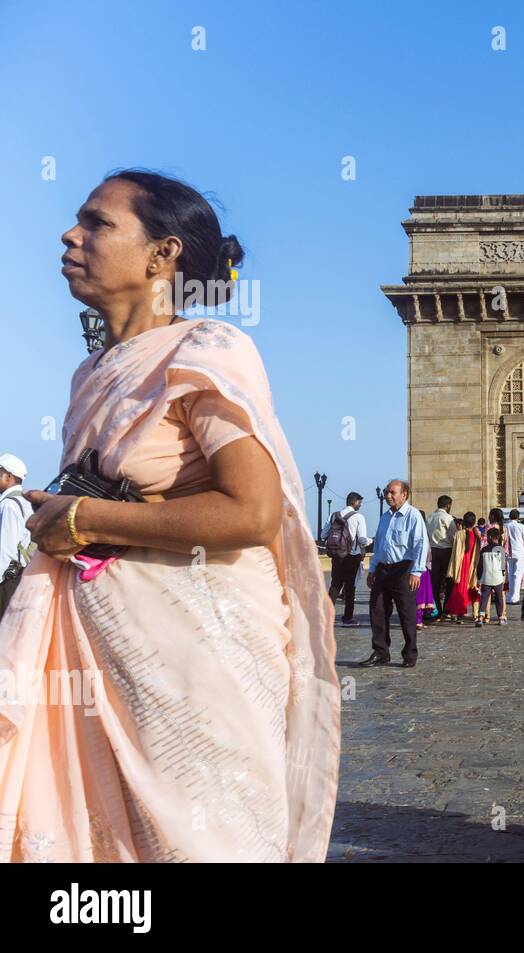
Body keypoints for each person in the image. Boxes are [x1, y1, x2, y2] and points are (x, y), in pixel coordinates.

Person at [0, 170, 338, 861]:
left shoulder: (207, 351)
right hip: (97, 674)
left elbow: (252, 511)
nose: (71, 235)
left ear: (163, 255)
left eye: (97, 222)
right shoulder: (92, 374)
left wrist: (87, 518)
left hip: (197, 677)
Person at [363, 480, 430, 665]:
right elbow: (379, 546)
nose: (388, 496)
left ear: (404, 494)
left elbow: (420, 545)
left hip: (404, 569)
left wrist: (416, 572)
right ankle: (380, 651)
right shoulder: (385, 517)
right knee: (377, 609)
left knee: (406, 613)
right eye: (386, 492)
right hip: (384, 569)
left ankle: (409, 654)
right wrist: (373, 568)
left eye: (392, 492)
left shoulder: (413, 516)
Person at [323, 491, 371, 627]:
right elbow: (362, 539)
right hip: (352, 556)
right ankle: (347, 618)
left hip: (337, 555)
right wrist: (371, 541)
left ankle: (326, 616)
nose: (360, 505)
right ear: (354, 502)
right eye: (359, 502)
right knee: (350, 587)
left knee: (335, 585)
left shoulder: (334, 515)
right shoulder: (358, 517)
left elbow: (323, 533)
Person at [0, 454, 33, 622]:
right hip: (20, 574)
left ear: (9, 476)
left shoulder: (8, 504)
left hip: (6, 579)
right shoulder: (25, 500)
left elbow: (6, 550)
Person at [444, 510, 482, 624]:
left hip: (461, 565)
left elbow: (455, 553)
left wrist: (452, 568)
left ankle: (456, 613)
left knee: (458, 588)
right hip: (470, 565)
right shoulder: (476, 535)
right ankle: (463, 612)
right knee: (466, 589)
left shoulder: (460, 534)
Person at [425, 495, 455, 618]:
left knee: (435, 583)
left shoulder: (430, 517)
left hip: (433, 552)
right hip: (446, 551)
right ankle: (447, 609)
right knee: (449, 581)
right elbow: (453, 537)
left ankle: (436, 609)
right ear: (448, 505)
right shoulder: (448, 518)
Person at [476, 526, 508, 626]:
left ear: (489, 537)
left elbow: (480, 566)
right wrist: (503, 578)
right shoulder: (500, 549)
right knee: (499, 598)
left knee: (484, 598)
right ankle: (501, 618)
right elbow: (503, 566)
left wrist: (479, 578)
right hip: (498, 578)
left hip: (486, 577)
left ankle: (480, 617)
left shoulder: (484, 550)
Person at [504, 508, 524, 602]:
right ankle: (515, 597)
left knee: (510, 574)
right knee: (518, 574)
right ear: (518, 517)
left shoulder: (505, 526)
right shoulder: (521, 526)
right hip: (519, 552)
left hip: (509, 552)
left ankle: (509, 596)